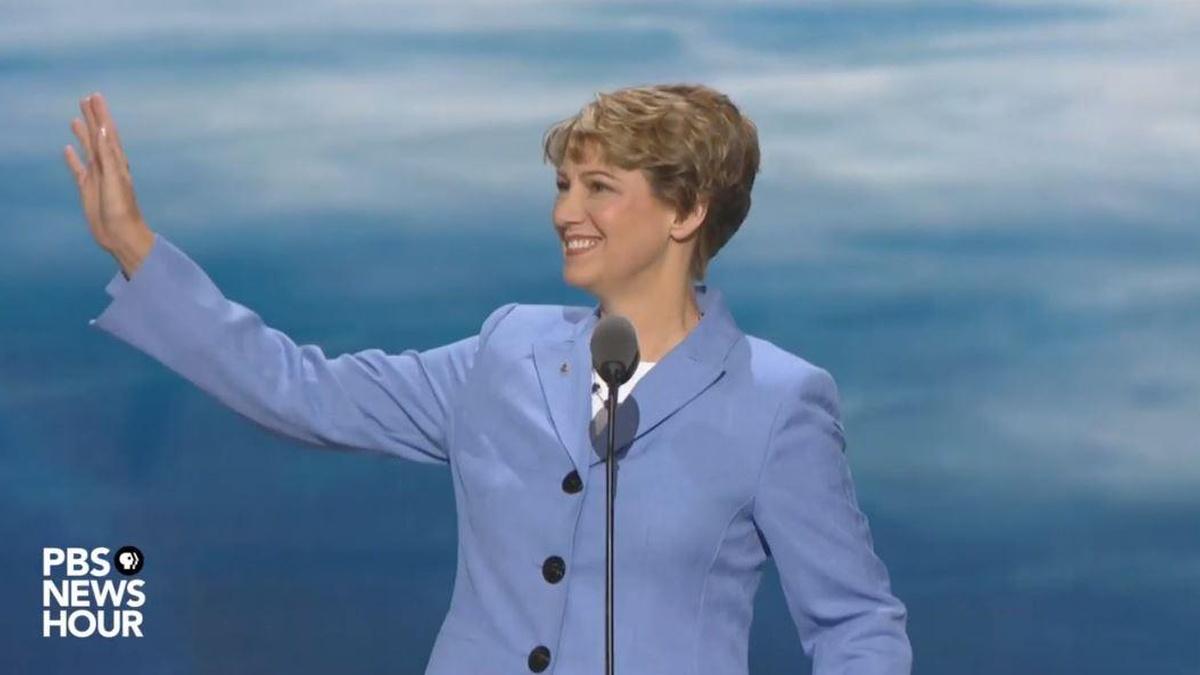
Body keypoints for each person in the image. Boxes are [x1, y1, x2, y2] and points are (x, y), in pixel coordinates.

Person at [65, 84, 912, 674]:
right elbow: (301, 388)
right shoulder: (508, 349)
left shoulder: (778, 400)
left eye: (599, 188)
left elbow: (856, 622)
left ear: (686, 211)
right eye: (563, 184)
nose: (563, 211)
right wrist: (135, 248)